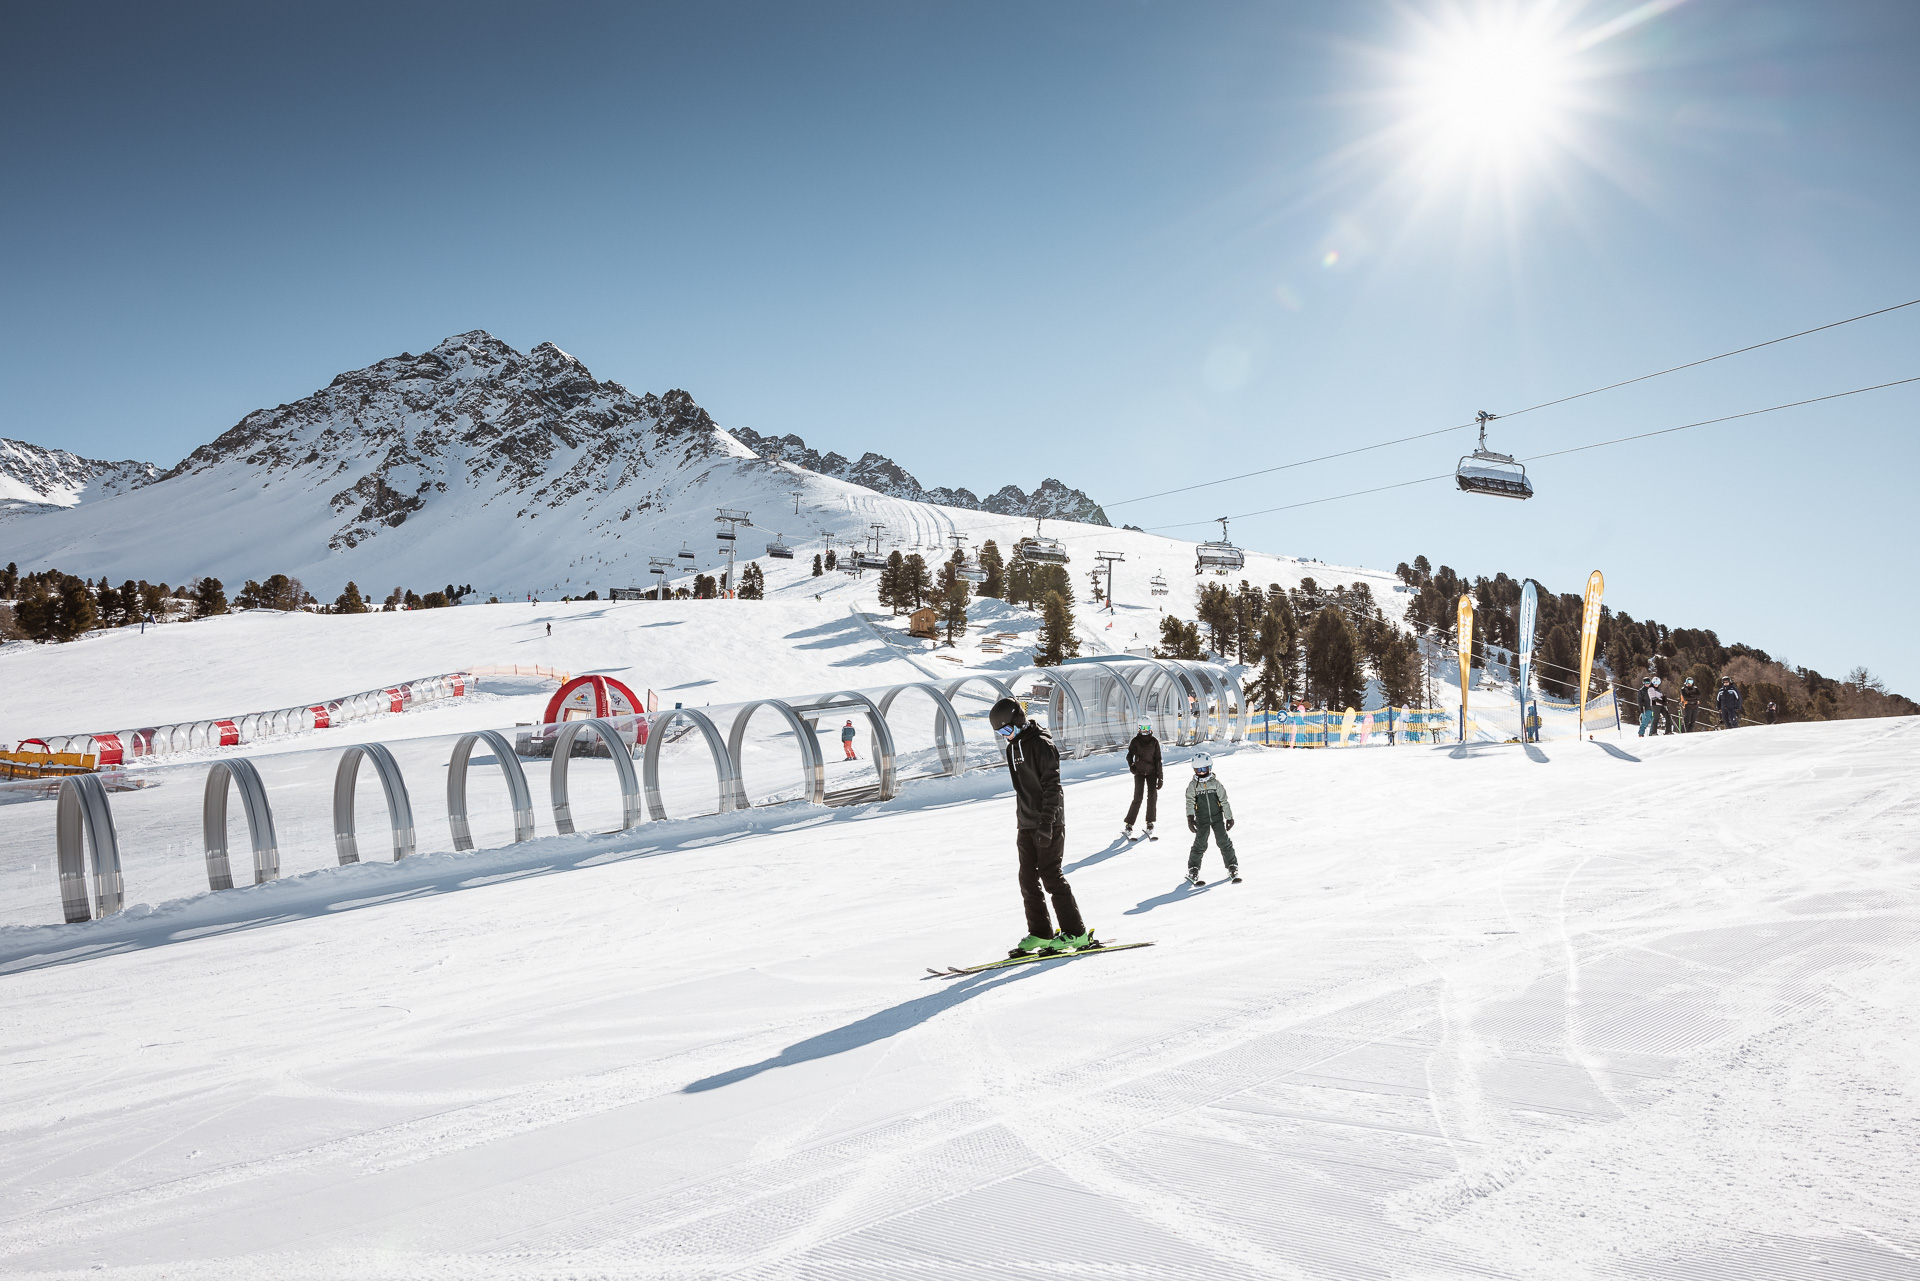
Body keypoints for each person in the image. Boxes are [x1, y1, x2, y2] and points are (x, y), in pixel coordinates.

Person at [989, 697, 1093, 957]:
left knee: (1051, 875)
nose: (1005, 736)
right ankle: (1041, 932)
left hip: (1049, 821)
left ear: (1018, 720)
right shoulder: (1013, 748)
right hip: (1026, 822)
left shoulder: (1041, 744)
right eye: (1000, 733)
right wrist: (1025, 820)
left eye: (1006, 729)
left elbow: (1052, 786)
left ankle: (1076, 932)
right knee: (1027, 877)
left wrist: (1046, 822)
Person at [1184, 752, 1239, 886]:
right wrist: (1190, 818)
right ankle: (1193, 868)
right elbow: (1190, 801)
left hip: (1217, 818)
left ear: (1209, 768)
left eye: (1203, 769)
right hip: (1201, 819)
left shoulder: (1215, 784)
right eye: (1198, 770)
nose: (1201, 772)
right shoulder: (1193, 785)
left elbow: (1224, 801)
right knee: (1200, 843)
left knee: (1223, 841)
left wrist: (1229, 817)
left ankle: (1232, 865)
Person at [1122, 719, 1162, 841]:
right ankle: (1129, 824)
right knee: (1138, 797)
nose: (1145, 731)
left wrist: (1160, 777)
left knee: (1152, 796)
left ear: (1150, 728)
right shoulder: (1136, 741)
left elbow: (1158, 760)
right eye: (1143, 728)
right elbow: (1129, 755)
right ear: (1139, 728)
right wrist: (1132, 765)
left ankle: (1150, 822)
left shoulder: (1154, 742)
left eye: (1147, 728)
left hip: (1152, 772)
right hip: (1139, 772)